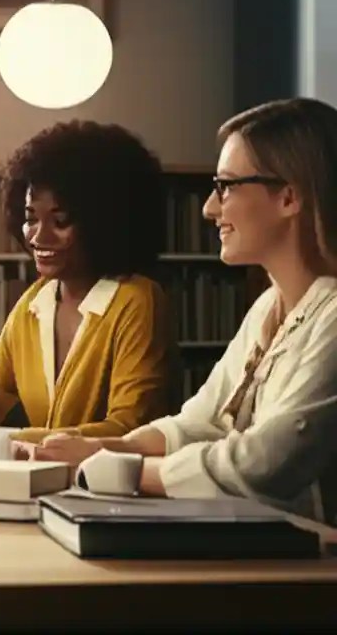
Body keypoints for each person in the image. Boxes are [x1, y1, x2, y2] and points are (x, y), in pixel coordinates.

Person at [30, 98, 337, 525]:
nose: (210, 207)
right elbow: (200, 422)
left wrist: (128, 471)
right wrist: (113, 449)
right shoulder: (269, 306)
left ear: (289, 197)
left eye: (226, 186)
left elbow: (264, 465)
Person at [0, 121, 174, 455]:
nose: (39, 236)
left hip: (114, 497)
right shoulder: (35, 301)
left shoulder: (137, 301)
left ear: (106, 221)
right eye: (31, 218)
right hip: (45, 486)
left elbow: (127, 429)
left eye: (60, 221)